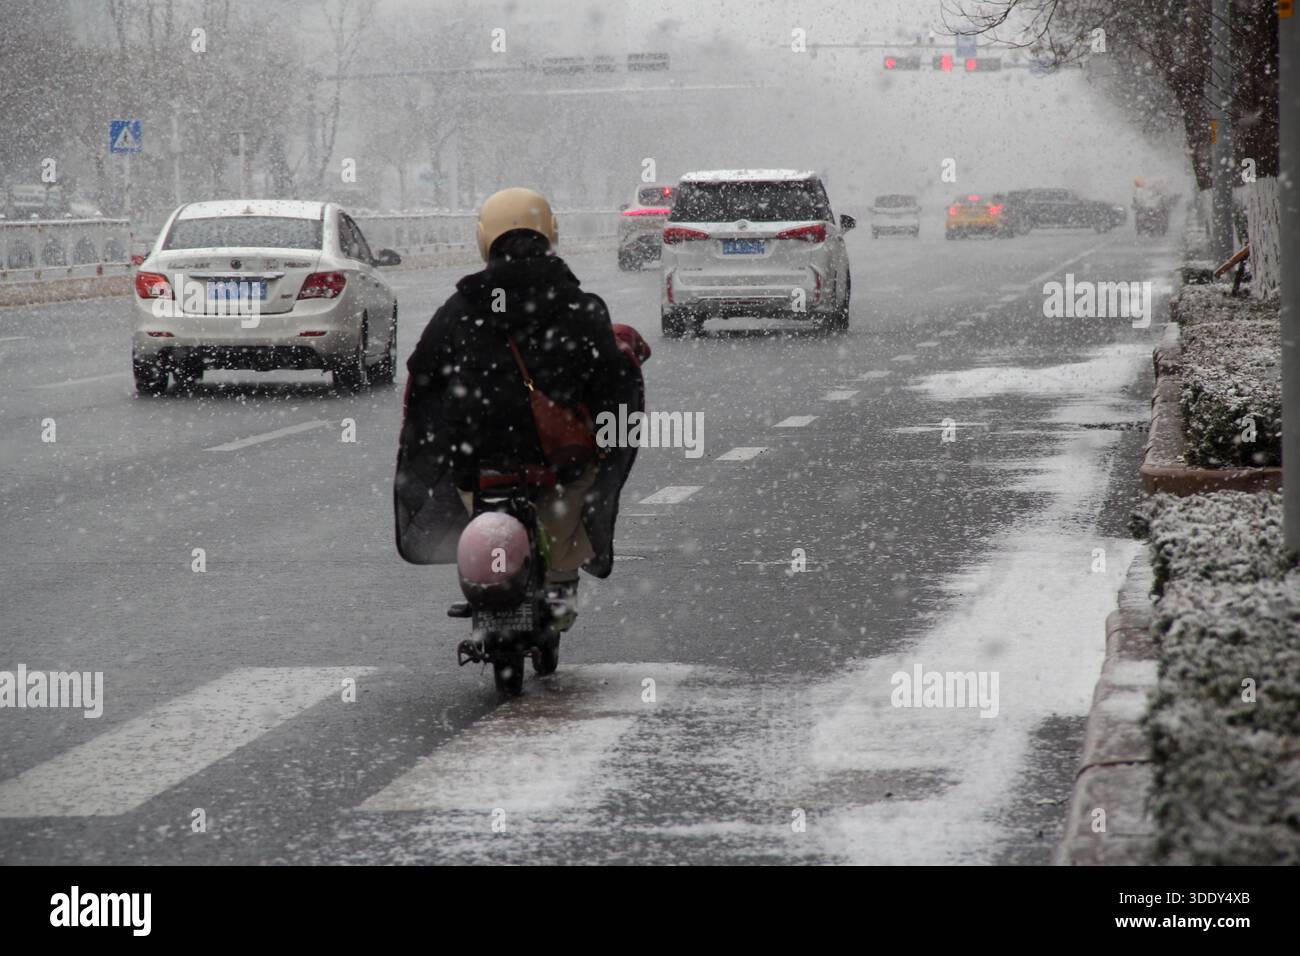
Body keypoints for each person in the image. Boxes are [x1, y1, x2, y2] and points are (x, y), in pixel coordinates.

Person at [394, 187, 647, 630]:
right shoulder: (580, 308)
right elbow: (614, 387)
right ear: (550, 234)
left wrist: (439, 444)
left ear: (483, 239)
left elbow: (423, 376)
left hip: (477, 461)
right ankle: (562, 585)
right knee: (575, 498)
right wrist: (608, 450)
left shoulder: (460, 308)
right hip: (556, 464)